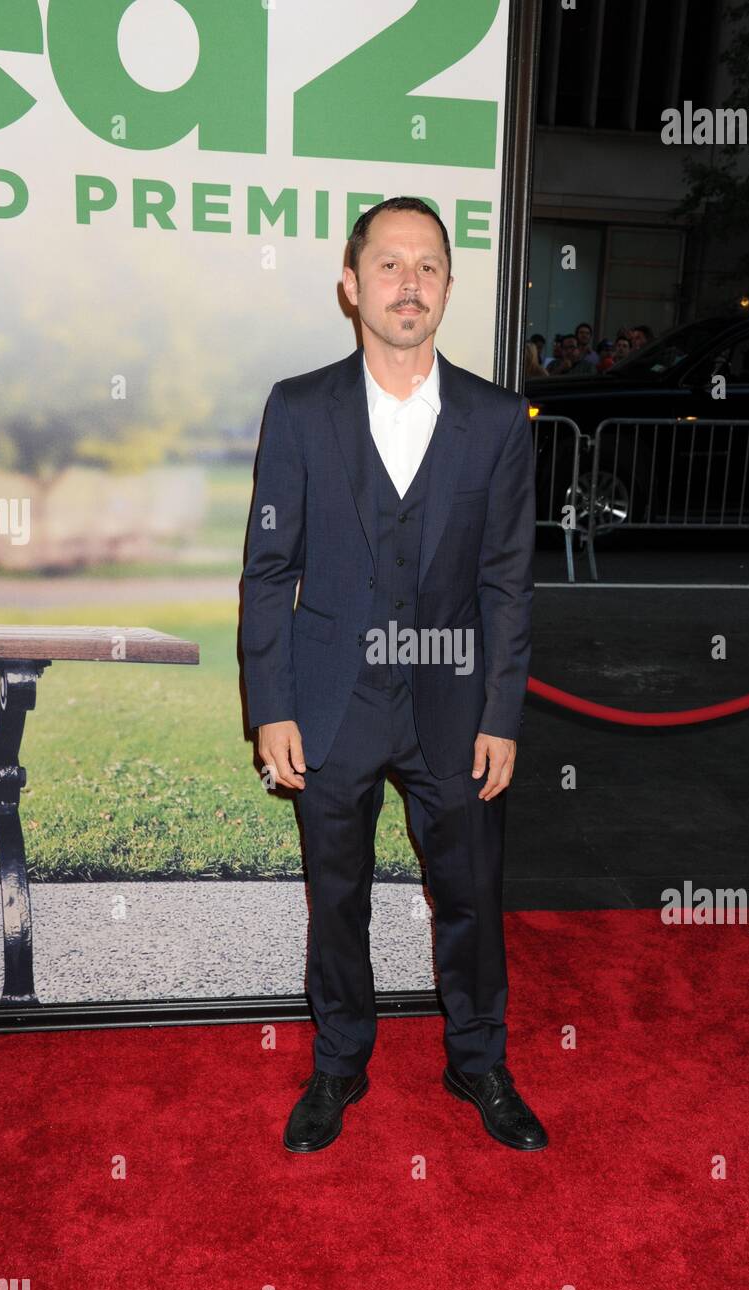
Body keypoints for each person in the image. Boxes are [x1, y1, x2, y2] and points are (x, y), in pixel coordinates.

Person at [241, 196, 547, 1155]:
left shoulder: (498, 419)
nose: (407, 284)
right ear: (350, 283)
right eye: (388, 265)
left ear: (449, 287)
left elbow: (507, 580)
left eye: (427, 266)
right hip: (332, 701)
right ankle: (338, 1064)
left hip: (454, 702)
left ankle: (477, 1060)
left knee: (471, 894)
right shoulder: (298, 408)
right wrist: (271, 705)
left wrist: (501, 713)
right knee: (335, 896)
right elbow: (267, 571)